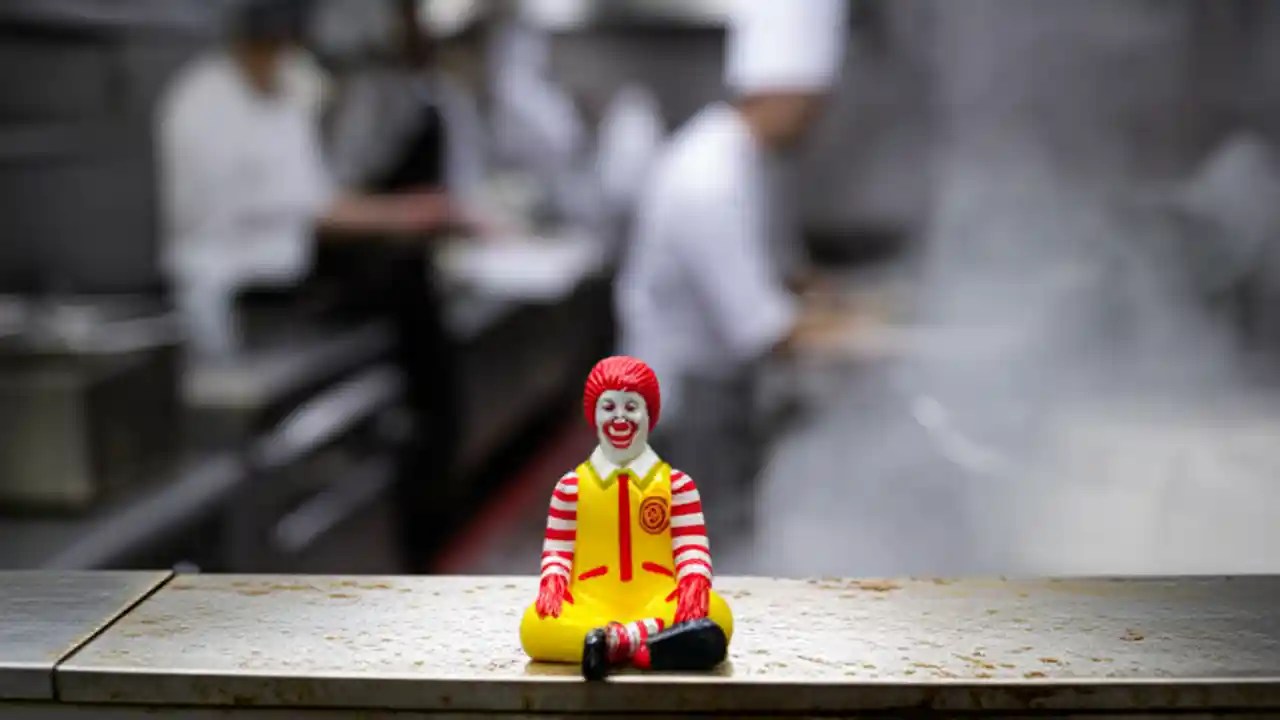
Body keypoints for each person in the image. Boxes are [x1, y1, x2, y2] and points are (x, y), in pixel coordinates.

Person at [615, 0, 856, 538]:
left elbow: (784, 270)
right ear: (780, 92)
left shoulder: (752, 160)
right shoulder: (710, 178)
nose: (818, 119)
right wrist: (886, 341)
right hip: (682, 406)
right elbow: (764, 329)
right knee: (706, 553)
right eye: (813, 103)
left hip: (717, 390)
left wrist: (848, 304)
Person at [156, 0, 463, 357]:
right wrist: (407, 213)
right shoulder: (200, 102)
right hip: (233, 290)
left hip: (287, 278)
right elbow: (311, 210)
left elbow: (316, 192)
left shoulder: (286, 89)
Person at [519, 356, 732, 681]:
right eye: (609, 407)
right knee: (535, 625)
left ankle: (607, 646)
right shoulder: (570, 488)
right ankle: (651, 649)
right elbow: (557, 553)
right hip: (590, 603)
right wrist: (555, 586)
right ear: (593, 415)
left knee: (716, 613)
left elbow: (692, 551)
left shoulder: (677, 486)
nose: (620, 418)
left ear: (650, 415)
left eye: (631, 407)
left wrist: (691, 585)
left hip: (659, 600)